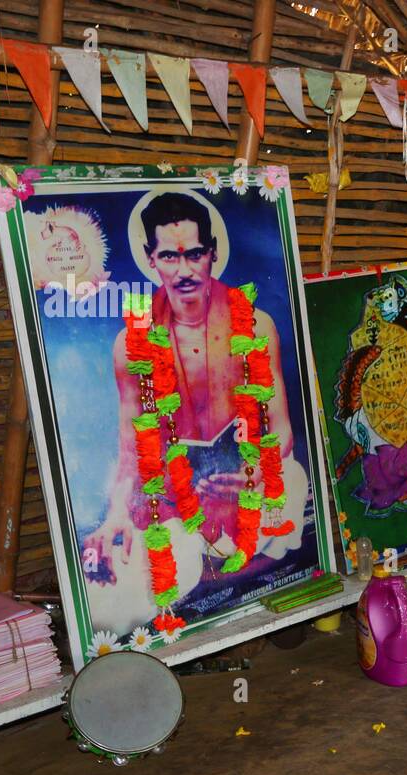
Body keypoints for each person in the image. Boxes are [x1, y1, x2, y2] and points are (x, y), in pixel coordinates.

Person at [82, 191, 306, 633]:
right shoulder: (131, 345)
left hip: (248, 489)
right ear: (150, 259)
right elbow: (130, 447)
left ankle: (226, 563)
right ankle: (197, 561)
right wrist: (117, 514)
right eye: (169, 256)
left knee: (292, 486)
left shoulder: (255, 324)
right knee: (112, 608)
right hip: (175, 502)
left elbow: (280, 427)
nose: (183, 271)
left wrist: (260, 469)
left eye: (194, 254)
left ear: (213, 253)